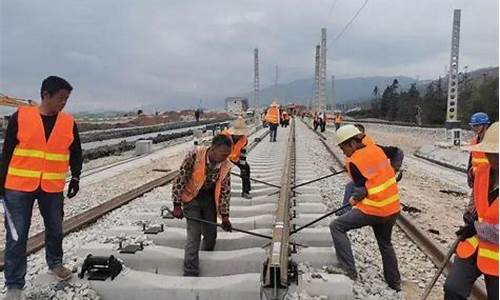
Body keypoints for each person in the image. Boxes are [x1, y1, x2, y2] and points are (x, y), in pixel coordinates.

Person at [1, 76, 82, 300]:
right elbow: (7, 151)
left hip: (52, 187)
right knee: (17, 236)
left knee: (55, 229)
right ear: (46, 95)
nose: (64, 102)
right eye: (61, 98)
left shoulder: (68, 122)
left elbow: (76, 151)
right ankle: (15, 285)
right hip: (18, 186)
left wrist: (75, 177)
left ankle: (55, 263)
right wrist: (1, 182)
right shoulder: (22, 116)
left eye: (66, 99)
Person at [330, 124, 403, 291]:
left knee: (336, 226)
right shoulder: (377, 149)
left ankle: (349, 270)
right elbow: (394, 155)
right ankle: (394, 283)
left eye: (343, 148)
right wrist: (394, 169)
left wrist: (353, 201)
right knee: (385, 244)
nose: (343, 152)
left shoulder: (354, 161)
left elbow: (361, 190)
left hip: (374, 209)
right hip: (392, 208)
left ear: (351, 143)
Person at [444, 122, 498, 300]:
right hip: (476, 245)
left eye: (496, 154)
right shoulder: (483, 172)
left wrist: (476, 228)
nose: (492, 158)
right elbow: (477, 199)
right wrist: (471, 215)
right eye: (490, 153)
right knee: (453, 288)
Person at [170, 134, 233, 277]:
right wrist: (177, 204)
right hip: (191, 197)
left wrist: (225, 216)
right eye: (223, 154)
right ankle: (190, 272)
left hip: (208, 199)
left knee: (211, 235)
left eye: (228, 154)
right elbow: (180, 178)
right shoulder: (195, 155)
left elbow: (225, 191)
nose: (225, 157)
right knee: (194, 234)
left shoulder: (225, 164)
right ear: (214, 148)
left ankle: (205, 258)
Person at [222, 117, 252, 199]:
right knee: (223, 174)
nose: (239, 135)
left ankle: (246, 191)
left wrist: (242, 167)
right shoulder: (224, 137)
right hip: (223, 158)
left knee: (246, 169)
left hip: (235, 157)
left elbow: (243, 154)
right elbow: (219, 152)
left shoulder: (244, 139)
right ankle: (223, 192)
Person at [467, 112, 491, 188]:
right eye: (473, 126)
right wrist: (470, 178)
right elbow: (471, 162)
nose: (475, 128)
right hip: (477, 182)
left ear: (486, 125)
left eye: (478, 126)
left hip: (490, 183)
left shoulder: (493, 142)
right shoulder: (473, 142)